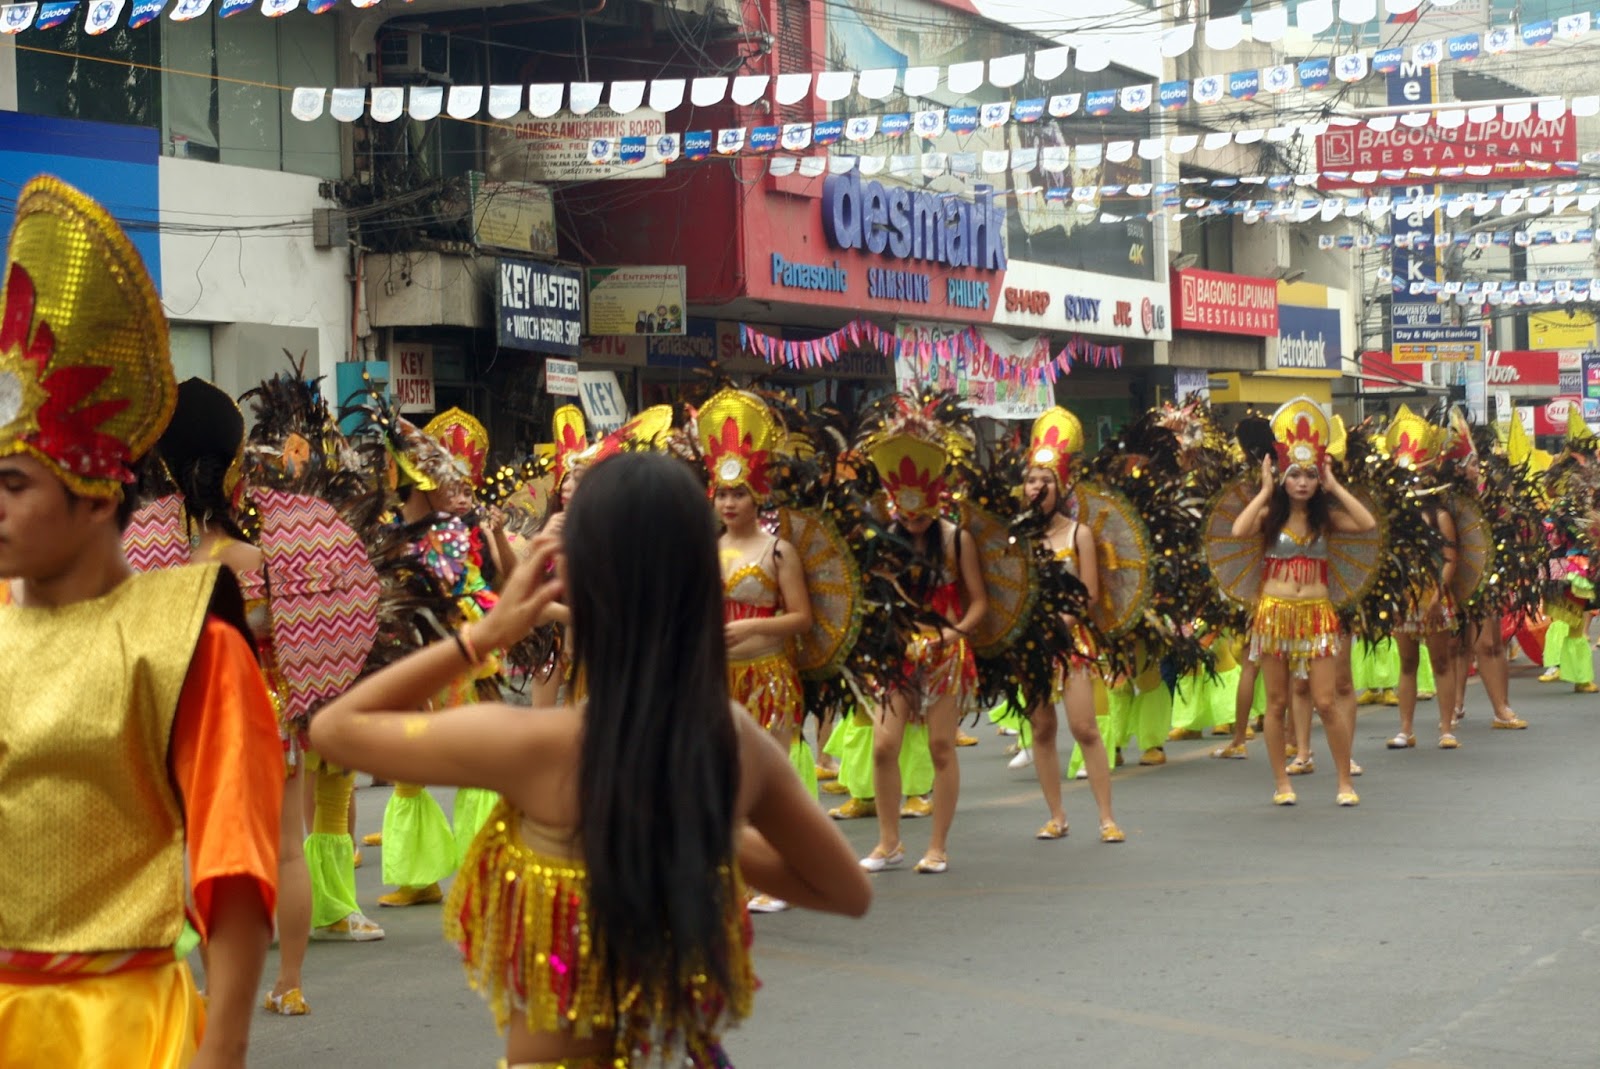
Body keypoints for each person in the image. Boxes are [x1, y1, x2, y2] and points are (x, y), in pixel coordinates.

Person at [310, 452, 870, 1068]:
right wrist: (706, 832)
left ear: (573, 583)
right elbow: (848, 892)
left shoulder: (539, 747)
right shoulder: (730, 741)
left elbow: (336, 729)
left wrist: (484, 637)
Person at [0, 175, 282, 1066]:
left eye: (13, 485)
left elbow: (233, 860)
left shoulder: (184, 635)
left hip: (120, 1026)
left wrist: (223, 1044)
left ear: (93, 495)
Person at [857, 404, 988, 875]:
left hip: (945, 654)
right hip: (898, 655)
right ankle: (889, 842)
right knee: (883, 746)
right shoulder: (885, 539)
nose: (912, 525)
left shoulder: (956, 541)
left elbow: (978, 604)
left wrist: (950, 635)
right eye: (905, 518)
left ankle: (937, 846)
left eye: (920, 518)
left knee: (940, 749)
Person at [1228, 398, 1374, 807]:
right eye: (1295, 475)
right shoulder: (1268, 518)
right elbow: (1239, 530)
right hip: (1273, 616)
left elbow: (1367, 523)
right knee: (1276, 702)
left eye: (1310, 475)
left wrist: (1335, 485)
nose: (1303, 483)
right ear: (1283, 479)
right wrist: (1264, 489)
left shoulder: (1326, 520)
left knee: (1326, 701)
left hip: (1317, 616)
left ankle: (1344, 781)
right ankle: (1282, 783)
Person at [1019, 408, 1123, 843]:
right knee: (1042, 727)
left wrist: (1057, 623)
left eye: (1046, 481)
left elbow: (1089, 595)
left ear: (1060, 488)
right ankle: (1056, 816)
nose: (1038, 487)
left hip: (1070, 641)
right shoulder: (1016, 537)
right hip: (1029, 645)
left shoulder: (1078, 533)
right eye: (1031, 480)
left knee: (1084, 727)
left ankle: (1106, 818)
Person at [1383, 407, 1462, 750]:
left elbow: (1450, 558)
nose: (1411, 482)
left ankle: (1446, 728)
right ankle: (1405, 729)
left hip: (1433, 596)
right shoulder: (1394, 517)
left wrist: (1435, 596)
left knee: (1441, 661)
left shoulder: (1439, 515)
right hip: (1404, 597)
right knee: (1407, 662)